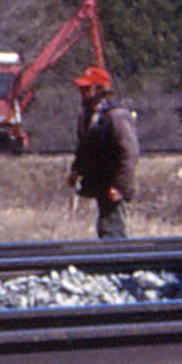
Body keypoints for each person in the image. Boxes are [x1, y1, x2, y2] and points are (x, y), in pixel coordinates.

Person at [69, 70, 140, 240]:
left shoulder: (116, 116)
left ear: (100, 89)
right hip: (101, 184)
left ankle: (117, 257)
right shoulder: (90, 116)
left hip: (113, 185)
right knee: (106, 227)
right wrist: (76, 170)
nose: (82, 93)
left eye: (87, 88)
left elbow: (130, 152)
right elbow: (86, 148)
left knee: (112, 230)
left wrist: (120, 186)